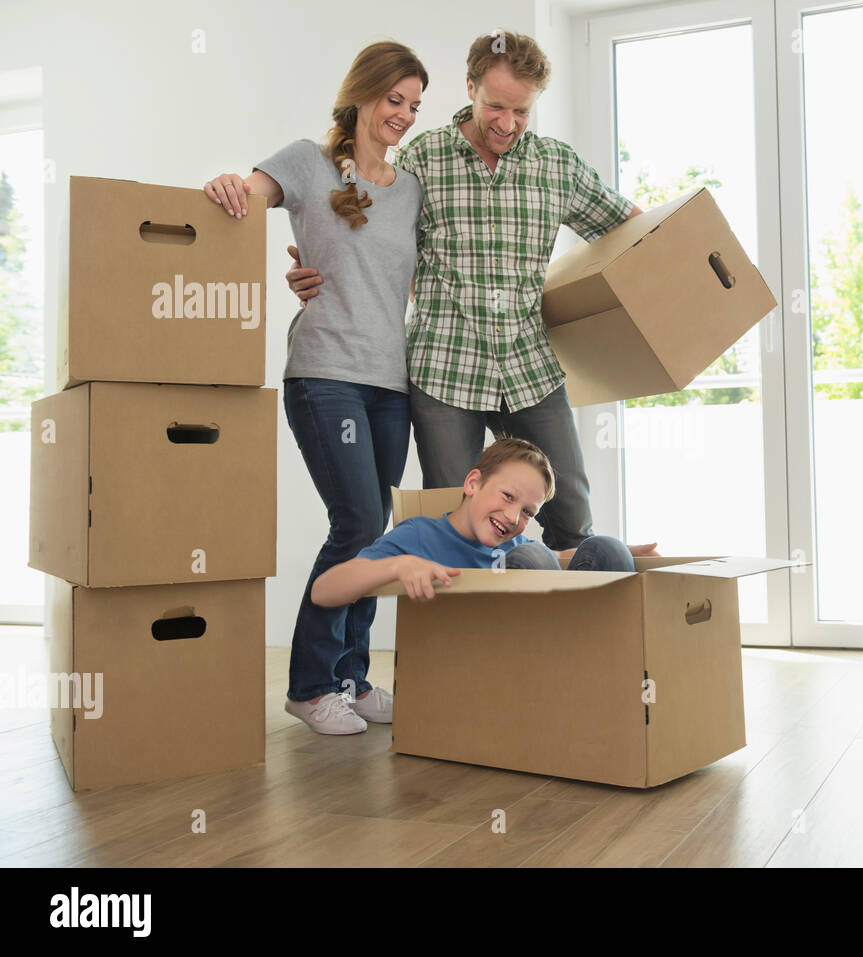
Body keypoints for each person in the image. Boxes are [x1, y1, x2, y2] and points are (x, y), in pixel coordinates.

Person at [285, 30, 657, 558]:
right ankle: (465, 638)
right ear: (470, 87)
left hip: (530, 366)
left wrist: (681, 267)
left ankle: (570, 629)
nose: (507, 124)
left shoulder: (557, 165)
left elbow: (629, 231)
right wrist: (313, 272)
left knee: (572, 518)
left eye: (522, 112)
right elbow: (366, 238)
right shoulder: (422, 159)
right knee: (453, 531)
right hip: (444, 369)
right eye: (495, 106)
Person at [203, 41, 428, 736]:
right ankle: (308, 685)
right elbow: (253, 195)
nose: (402, 116)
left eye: (414, 106)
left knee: (377, 530)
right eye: (393, 100)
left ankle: (352, 678)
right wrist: (230, 186)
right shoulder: (307, 159)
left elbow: (401, 281)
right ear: (361, 96)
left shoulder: (411, 187)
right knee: (356, 518)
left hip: (391, 381)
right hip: (326, 372)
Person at [311, 437, 637, 607]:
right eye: (508, 496)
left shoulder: (514, 547)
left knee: (606, 548)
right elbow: (324, 592)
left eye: (528, 512)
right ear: (472, 484)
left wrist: (615, 552)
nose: (513, 517)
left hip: (544, 650)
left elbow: (558, 559)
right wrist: (400, 566)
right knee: (534, 558)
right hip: (473, 660)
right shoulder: (420, 536)